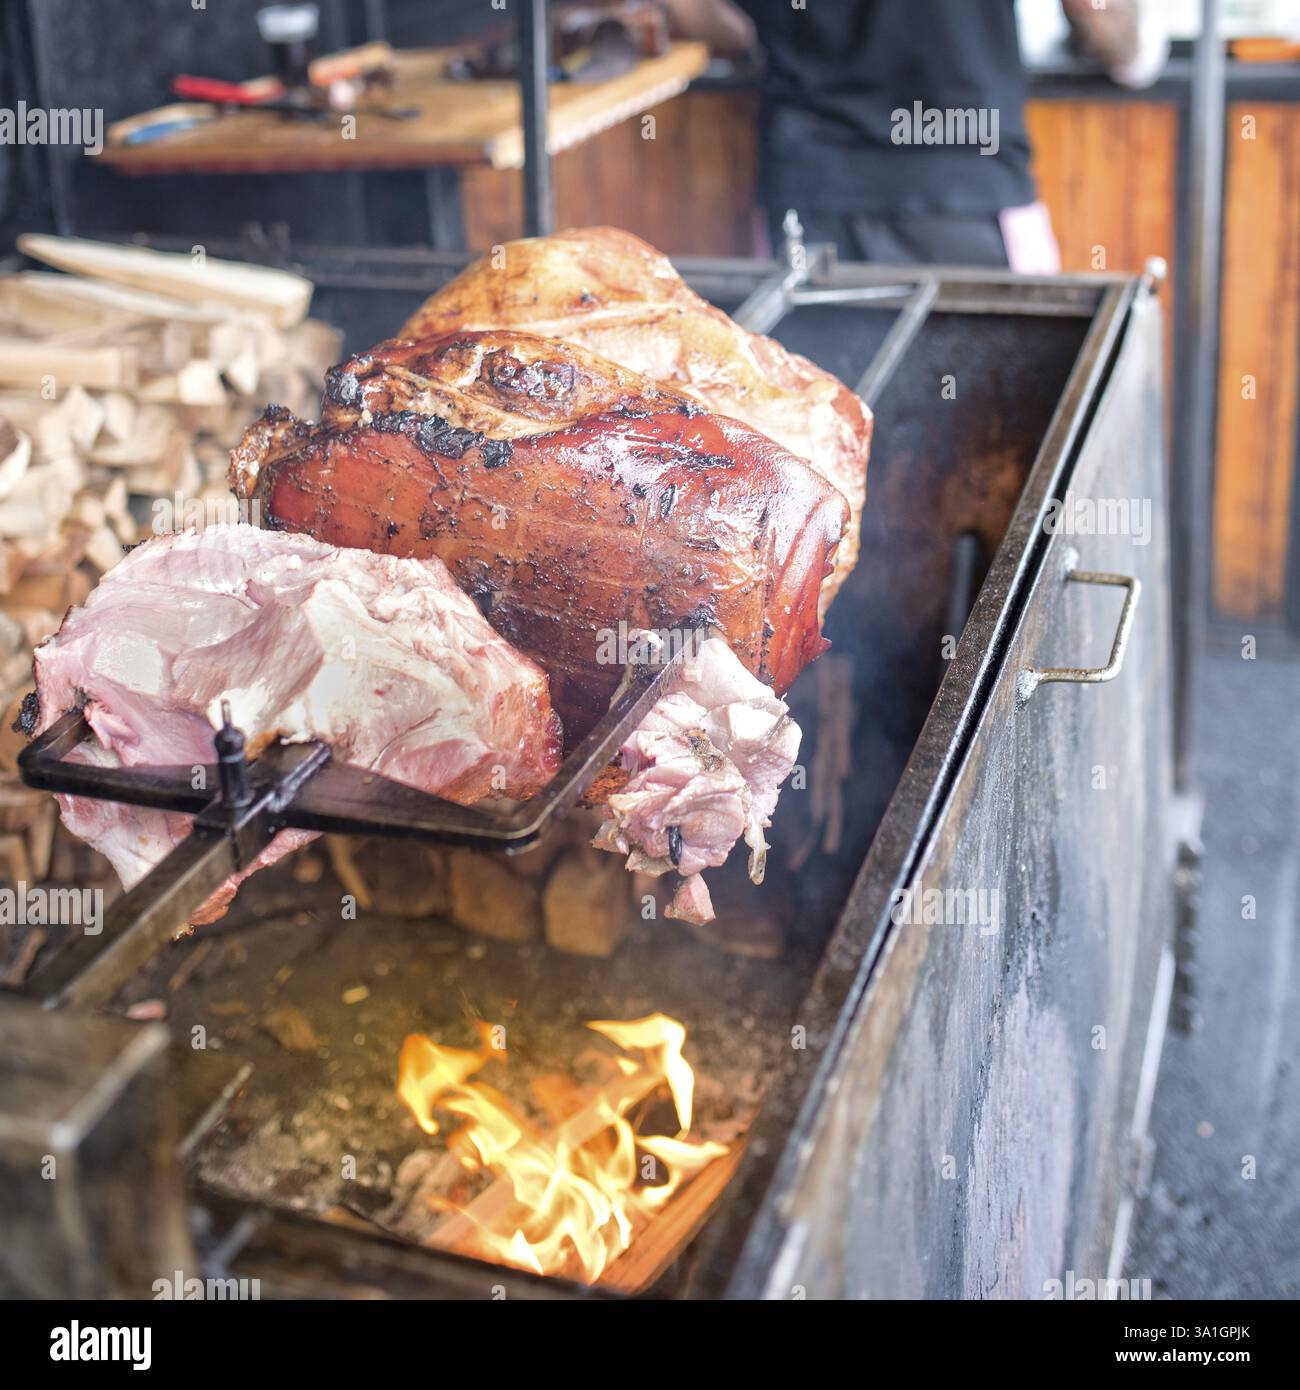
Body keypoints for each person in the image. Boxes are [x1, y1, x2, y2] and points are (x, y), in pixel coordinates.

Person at [665, 0, 1166, 270]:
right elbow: (1098, 13)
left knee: (809, 444)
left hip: (812, 193)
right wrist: (1134, 54)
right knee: (1003, 432)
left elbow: (696, 10)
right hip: (968, 192)